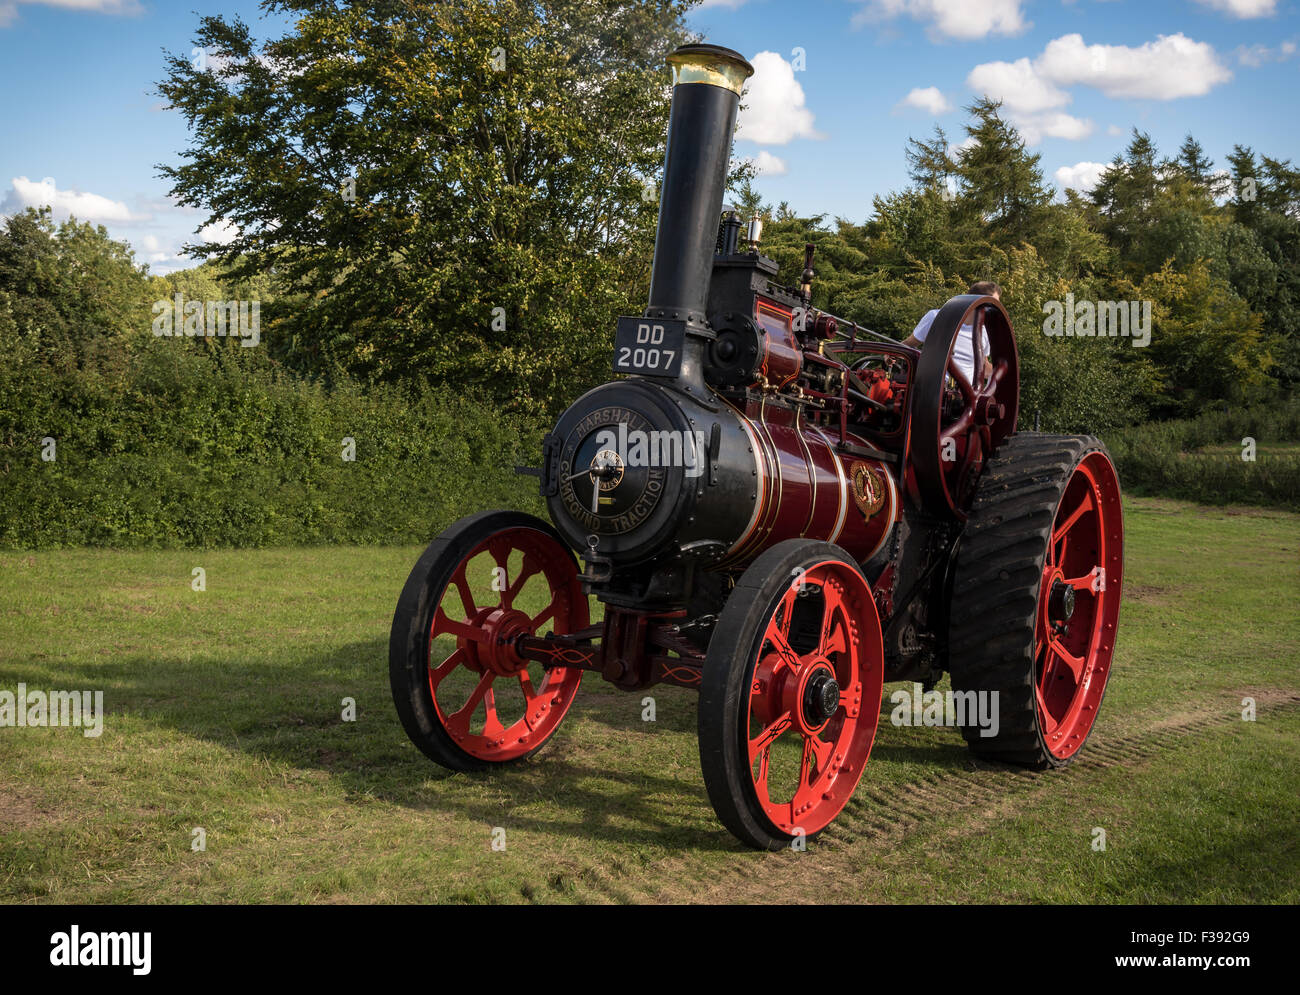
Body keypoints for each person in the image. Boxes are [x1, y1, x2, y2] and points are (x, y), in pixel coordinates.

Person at [904, 281, 1000, 385]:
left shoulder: (986, 331)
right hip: (930, 389)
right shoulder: (935, 317)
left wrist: (1002, 375)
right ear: (977, 302)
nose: (995, 310)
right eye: (993, 305)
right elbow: (908, 344)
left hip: (964, 396)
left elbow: (983, 364)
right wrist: (894, 354)